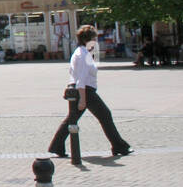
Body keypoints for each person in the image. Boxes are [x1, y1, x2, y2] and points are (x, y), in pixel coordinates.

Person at [49, 24, 133, 159]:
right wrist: (82, 99)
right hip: (85, 91)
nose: (96, 41)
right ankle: (119, 146)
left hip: (82, 90)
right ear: (87, 40)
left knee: (72, 119)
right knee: (105, 115)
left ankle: (56, 146)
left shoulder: (82, 52)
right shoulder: (83, 55)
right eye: (94, 38)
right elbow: (81, 79)